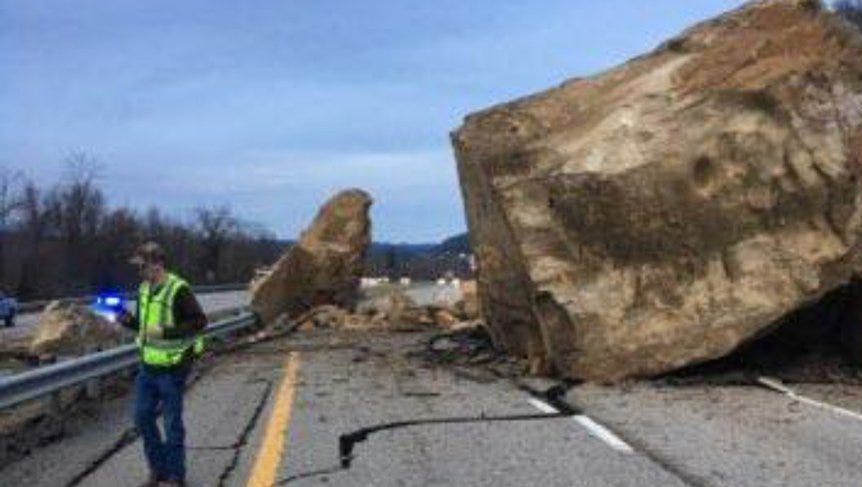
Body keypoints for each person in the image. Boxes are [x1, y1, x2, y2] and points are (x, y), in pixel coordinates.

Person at [119, 242, 207, 487]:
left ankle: (176, 476)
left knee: (172, 424)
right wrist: (128, 321)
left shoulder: (179, 290)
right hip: (147, 368)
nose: (139, 272)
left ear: (157, 264)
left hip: (173, 369)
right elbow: (144, 328)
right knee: (142, 417)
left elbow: (199, 321)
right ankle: (158, 470)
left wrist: (166, 332)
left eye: (142, 266)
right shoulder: (144, 289)